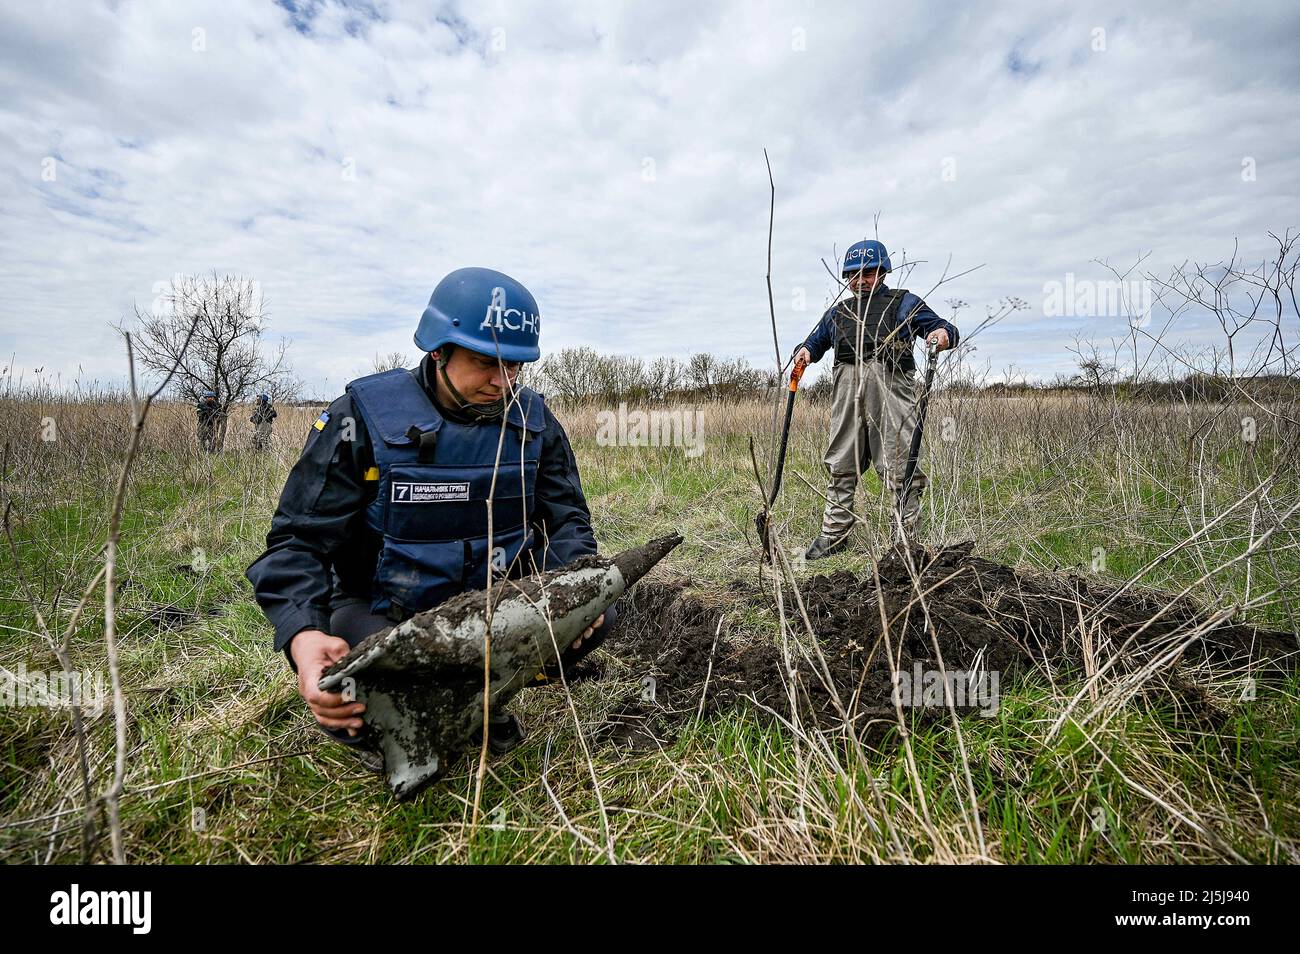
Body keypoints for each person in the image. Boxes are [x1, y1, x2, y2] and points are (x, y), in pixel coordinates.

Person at [244, 267, 616, 771]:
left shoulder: (534, 420)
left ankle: (488, 693)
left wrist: (577, 590)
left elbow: (567, 521)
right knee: (351, 679)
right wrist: (304, 637)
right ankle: (424, 710)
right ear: (438, 351)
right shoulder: (360, 419)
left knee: (603, 613)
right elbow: (296, 543)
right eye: (486, 363)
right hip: (386, 614)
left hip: (497, 603)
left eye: (516, 369)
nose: (502, 382)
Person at [793, 239, 959, 559]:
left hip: (891, 391)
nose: (860, 279)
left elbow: (940, 326)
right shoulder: (837, 313)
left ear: (882, 272)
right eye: (854, 274)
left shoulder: (903, 302)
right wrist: (805, 352)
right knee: (842, 461)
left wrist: (941, 335)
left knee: (899, 462)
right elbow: (814, 342)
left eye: (868, 272)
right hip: (846, 392)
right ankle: (834, 534)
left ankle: (905, 539)